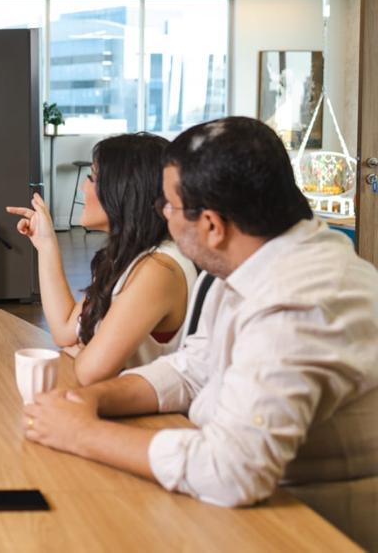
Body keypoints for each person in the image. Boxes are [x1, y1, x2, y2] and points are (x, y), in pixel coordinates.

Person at [21, 117, 378, 550]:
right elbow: (194, 367)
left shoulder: (296, 302)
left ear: (211, 224)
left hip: (306, 522)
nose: (163, 219)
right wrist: (93, 400)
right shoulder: (250, 263)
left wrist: (82, 433)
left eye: (169, 208)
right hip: (246, 499)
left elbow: (233, 471)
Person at [7, 133, 197, 385]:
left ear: (124, 190)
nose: (82, 188)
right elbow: (66, 331)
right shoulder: (125, 256)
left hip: (149, 420)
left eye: (92, 178)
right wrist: (46, 243)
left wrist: (83, 349)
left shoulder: (158, 269)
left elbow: (89, 370)